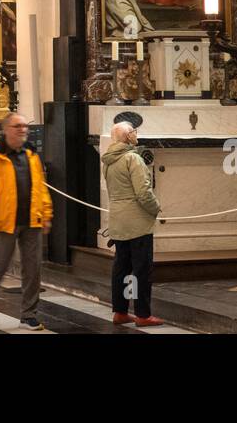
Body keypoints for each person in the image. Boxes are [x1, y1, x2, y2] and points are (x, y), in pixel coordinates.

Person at [0, 113, 54, 330]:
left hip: (32, 219)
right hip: (5, 220)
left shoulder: (31, 154)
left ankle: (29, 315)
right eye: (17, 126)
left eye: (25, 126)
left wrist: (46, 213)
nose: (23, 129)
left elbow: (40, 187)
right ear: (6, 130)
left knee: (33, 268)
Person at [102, 121, 164, 327]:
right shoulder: (133, 158)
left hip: (118, 219)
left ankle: (120, 312)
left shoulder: (108, 160)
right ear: (128, 136)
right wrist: (156, 208)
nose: (136, 134)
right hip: (137, 222)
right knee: (141, 270)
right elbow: (143, 192)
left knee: (121, 267)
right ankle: (143, 315)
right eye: (134, 131)